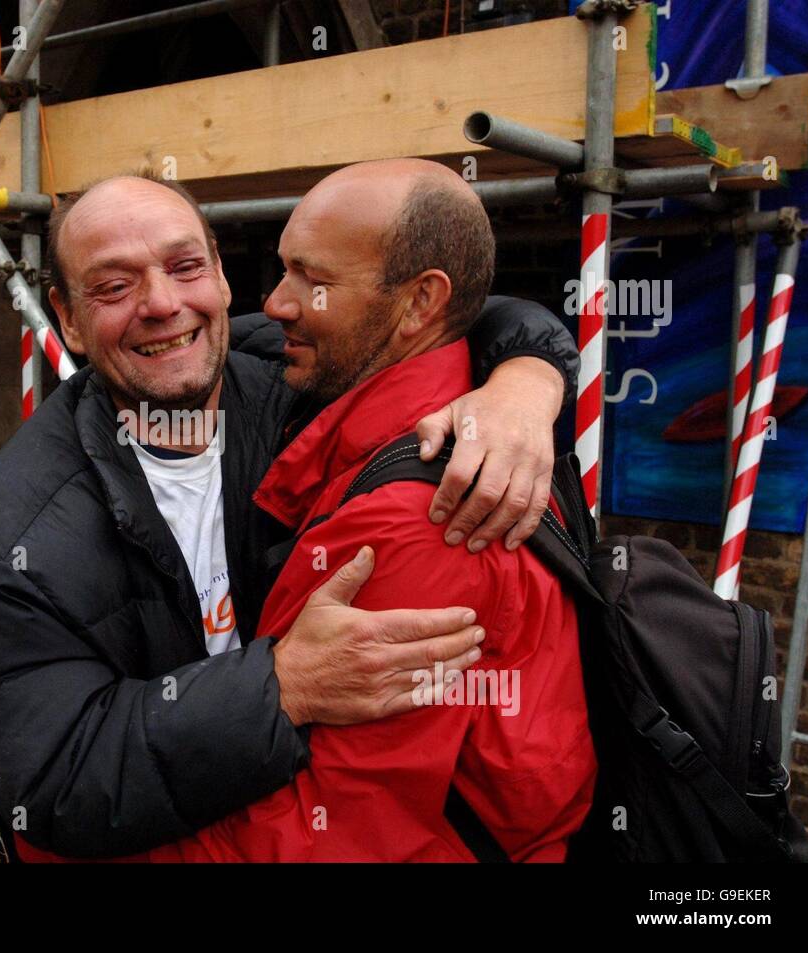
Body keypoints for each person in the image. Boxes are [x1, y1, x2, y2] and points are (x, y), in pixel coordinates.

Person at [0, 170, 580, 859]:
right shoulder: (8, 549)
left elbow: (470, 304)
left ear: (219, 276)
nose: (163, 303)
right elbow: (63, 776)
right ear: (68, 318)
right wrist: (279, 685)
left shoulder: (296, 379)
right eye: (113, 286)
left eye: (184, 266)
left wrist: (528, 379)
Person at [106, 158, 592, 862]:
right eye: (283, 270)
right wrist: (533, 370)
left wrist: (41, 817)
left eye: (314, 280)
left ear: (420, 304)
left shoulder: (428, 520)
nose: (276, 302)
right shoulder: (376, 413)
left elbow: (320, 834)